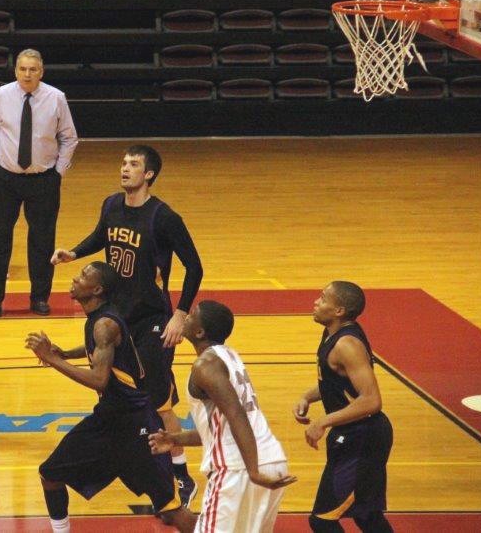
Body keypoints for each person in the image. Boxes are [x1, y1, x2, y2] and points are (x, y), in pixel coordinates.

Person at [52, 144, 204, 504]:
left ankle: (181, 477)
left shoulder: (163, 217)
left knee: (157, 400)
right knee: (125, 395)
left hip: (153, 320)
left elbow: (194, 267)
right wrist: (73, 252)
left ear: (149, 174)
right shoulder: (111, 205)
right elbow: (101, 235)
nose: (125, 169)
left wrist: (180, 314)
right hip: (120, 316)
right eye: (123, 163)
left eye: (134, 164)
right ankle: (138, 461)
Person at [27, 261, 193, 533]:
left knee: (172, 512)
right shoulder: (101, 320)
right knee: (50, 474)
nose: (75, 278)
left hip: (135, 423)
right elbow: (99, 348)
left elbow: (99, 379)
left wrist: (50, 359)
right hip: (109, 420)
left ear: (97, 289)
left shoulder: (104, 324)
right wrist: (65, 353)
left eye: (83, 276)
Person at [149, 300, 296, 532]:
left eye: (192, 314)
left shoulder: (205, 366)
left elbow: (236, 414)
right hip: (271, 461)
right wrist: (176, 439)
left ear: (199, 332)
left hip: (239, 467)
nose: (185, 316)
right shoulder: (229, 356)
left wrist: (253, 470)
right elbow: (223, 427)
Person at [0, 48, 78, 317]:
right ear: (16, 71)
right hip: (4, 177)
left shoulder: (56, 98)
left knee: (42, 241)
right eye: (23, 69)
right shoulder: (1, 96)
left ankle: (40, 298)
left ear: (41, 72)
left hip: (43, 179)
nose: (27, 74)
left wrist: (58, 172)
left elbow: (69, 137)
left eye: (33, 69)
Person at [295, 282, 394, 532]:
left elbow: (371, 400)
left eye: (323, 298)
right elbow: (337, 383)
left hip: (362, 437)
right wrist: (308, 396)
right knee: (367, 515)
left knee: (322, 520)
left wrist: (323, 421)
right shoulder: (331, 332)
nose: (316, 302)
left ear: (339, 311)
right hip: (355, 434)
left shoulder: (346, 345)